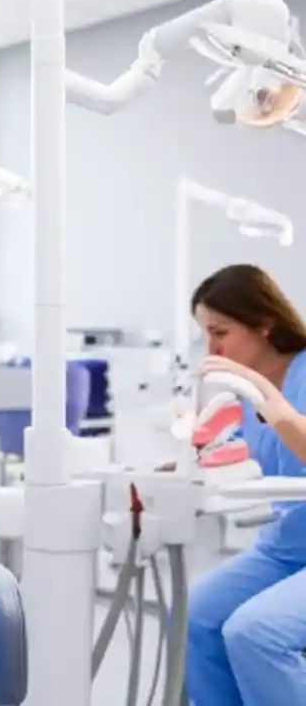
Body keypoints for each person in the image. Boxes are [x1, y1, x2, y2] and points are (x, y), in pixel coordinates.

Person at [185, 264, 306, 706]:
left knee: (255, 632)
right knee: (195, 617)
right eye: (205, 335)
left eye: (220, 332)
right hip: (285, 549)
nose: (211, 348)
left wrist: (260, 391)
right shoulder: (242, 395)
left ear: (264, 325)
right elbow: (234, 450)